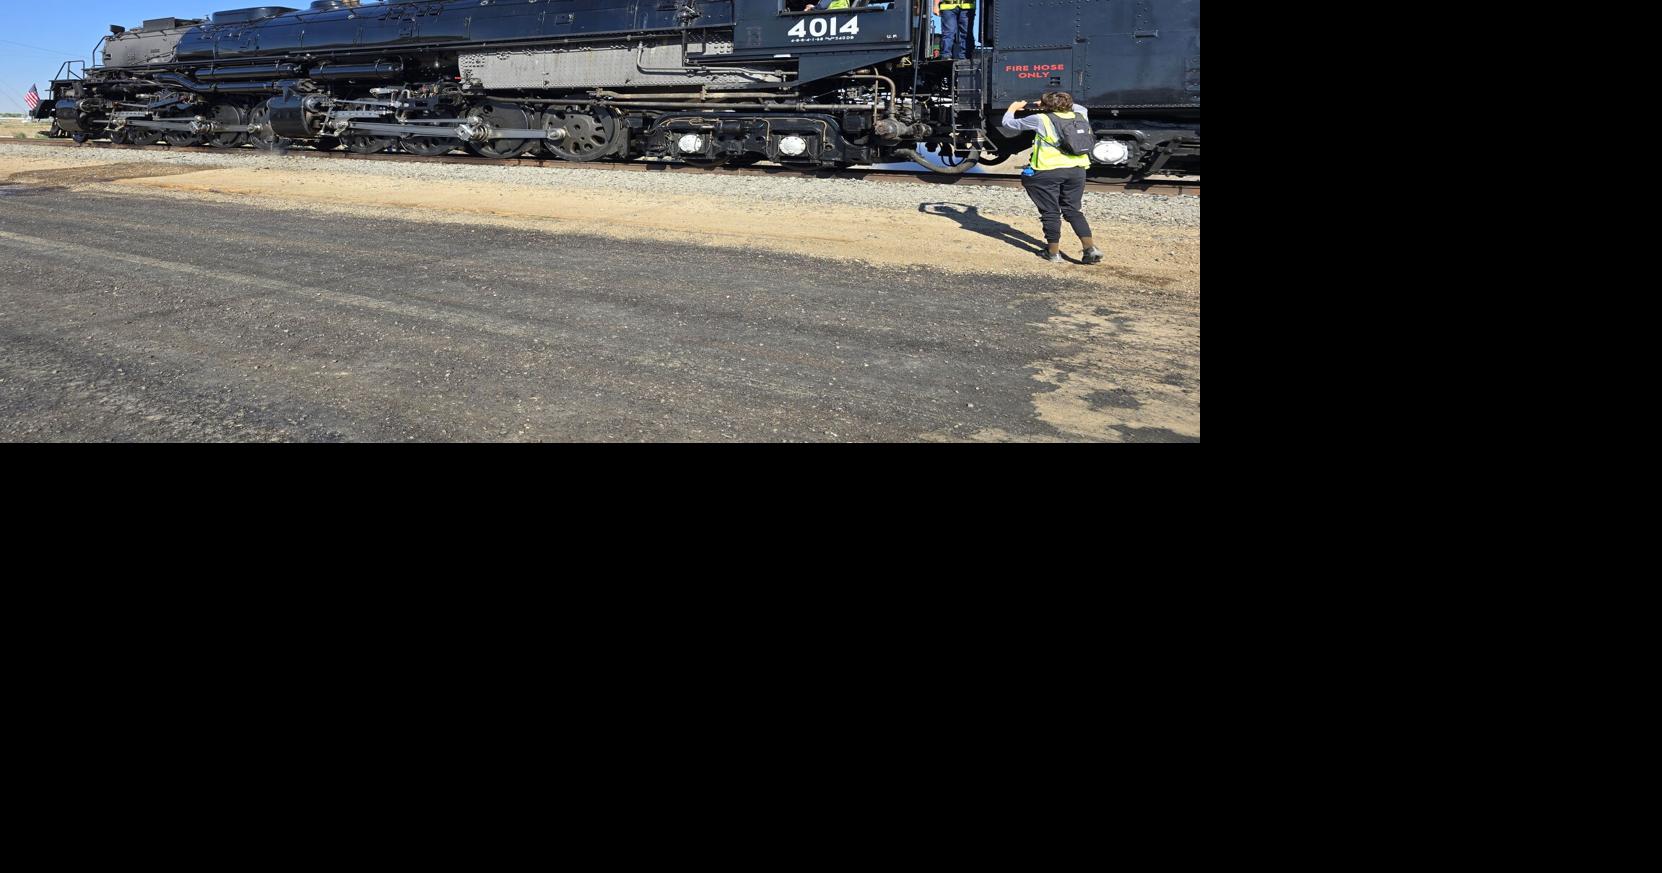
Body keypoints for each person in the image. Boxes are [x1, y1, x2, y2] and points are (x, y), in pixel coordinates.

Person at [1002, 92, 1104, 265]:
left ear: (1045, 106)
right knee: (1073, 210)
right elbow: (1077, 106)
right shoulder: (1081, 114)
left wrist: (1014, 107)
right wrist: (1047, 103)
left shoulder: (1040, 119)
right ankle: (1090, 249)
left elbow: (1008, 123)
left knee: (1050, 212)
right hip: (1077, 170)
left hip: (1048, 170)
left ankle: (1053, 253)